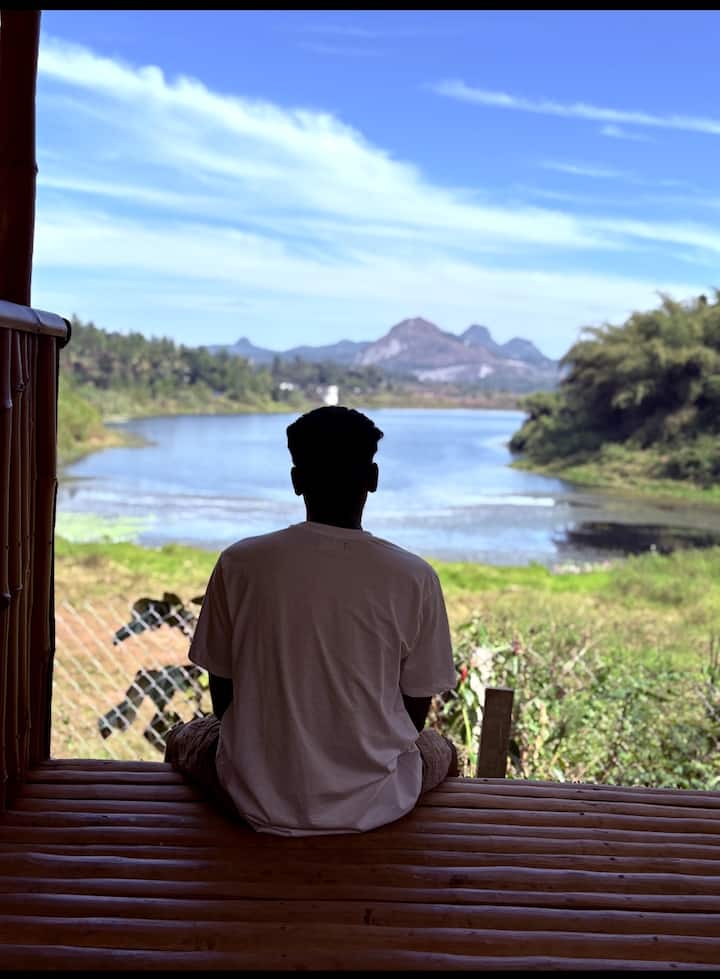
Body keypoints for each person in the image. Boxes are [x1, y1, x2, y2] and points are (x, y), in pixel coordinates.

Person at [165, 405, 459, 836]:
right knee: (441, 749)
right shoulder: (414, 576)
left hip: (251, 797)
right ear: (373, 478)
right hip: (378, 801)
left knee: (185, 738)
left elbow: (222, 698)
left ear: (297, 480)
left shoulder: (239, 563)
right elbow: (415, 712)